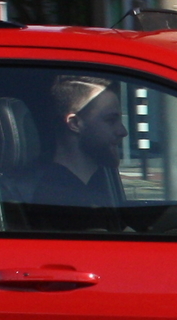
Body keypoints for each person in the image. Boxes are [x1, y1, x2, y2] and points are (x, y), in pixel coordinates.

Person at [19, 74, 127, 218]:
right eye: (110, 120)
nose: (123, 131)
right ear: (75, 124)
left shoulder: (93, 184)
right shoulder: (58, 200)